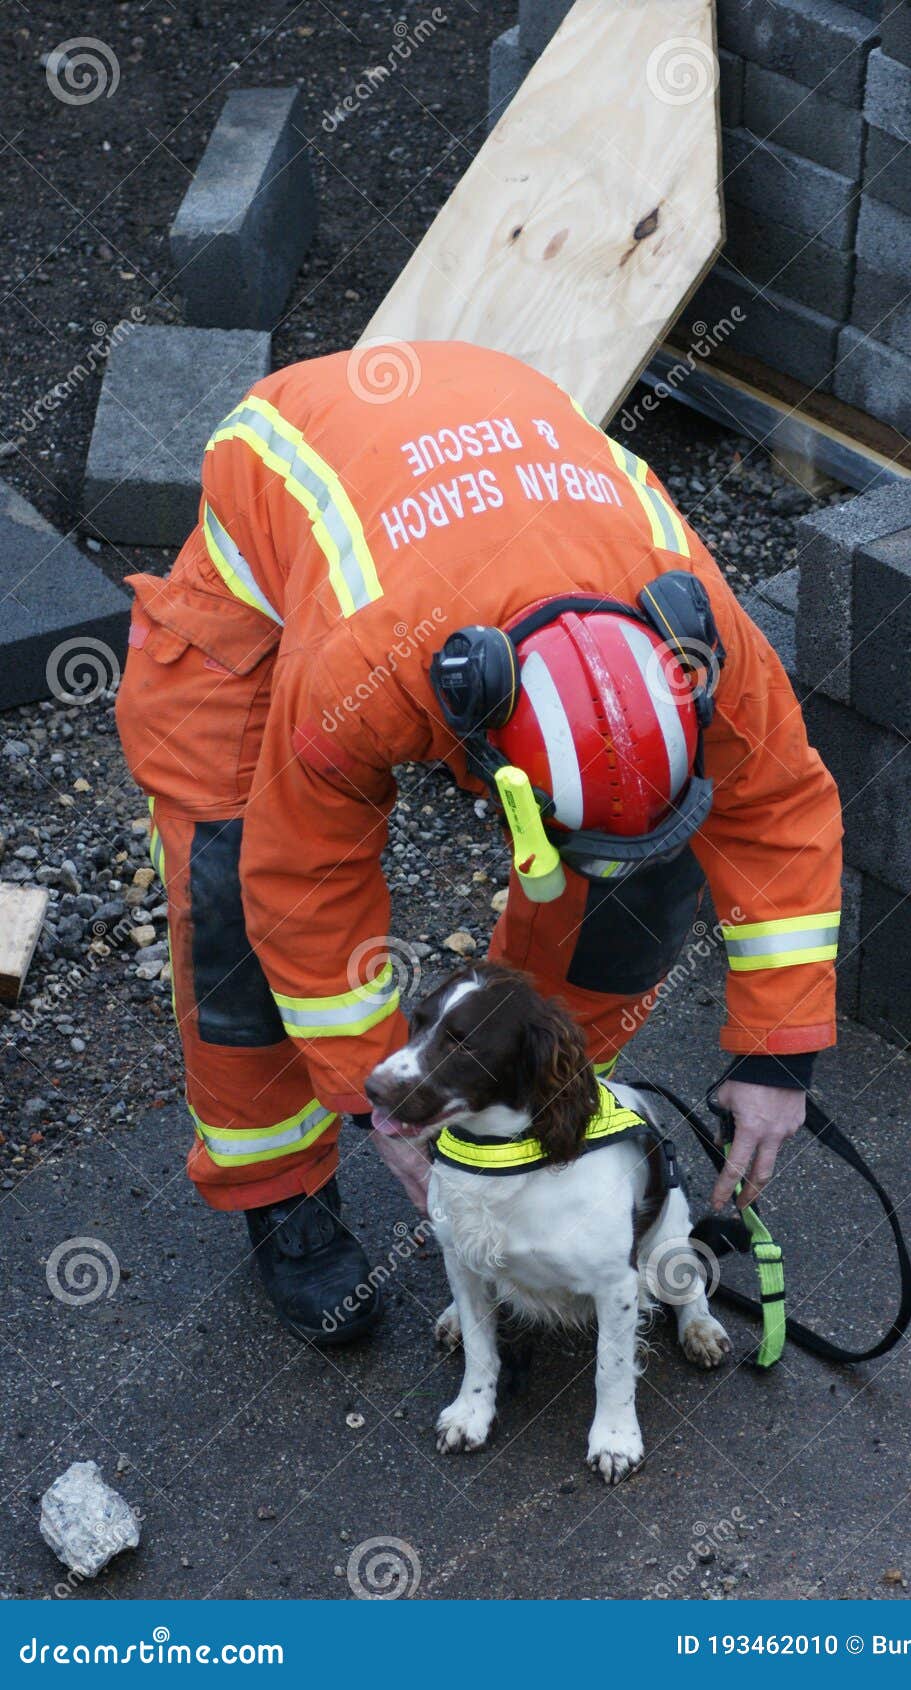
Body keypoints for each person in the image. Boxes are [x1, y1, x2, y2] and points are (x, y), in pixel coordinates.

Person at [116, 340, 842, 1345]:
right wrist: (378, 1101)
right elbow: (305, 883)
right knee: (228, 885)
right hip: (279, 517)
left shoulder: (694, 630)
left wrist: (776, 1055)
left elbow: (780, 806)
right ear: (481, 739)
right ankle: (278, 1189)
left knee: (634, 876)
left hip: (488, 448)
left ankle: (540, 1110)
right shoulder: (363, 666)